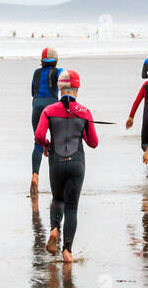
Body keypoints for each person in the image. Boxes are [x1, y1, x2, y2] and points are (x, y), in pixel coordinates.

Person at [34, 70, 99, 263]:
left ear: (59, 88)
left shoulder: (49, 110)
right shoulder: (85, 112)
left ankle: (54, 229)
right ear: (77, 88)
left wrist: (46, 144)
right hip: (77, 163)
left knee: (58, 199)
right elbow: (93, 142)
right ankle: (67, 251)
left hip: (56, 162)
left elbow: (38, 135)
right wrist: (82, 132)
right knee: (72, 207)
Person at [30, 46, 62, 194]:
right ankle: (56, 180)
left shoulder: (36, 73)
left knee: (38, 141)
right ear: (55, 61)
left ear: (42, 61)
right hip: (52, 107)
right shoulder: (57, 72)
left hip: (37, 106)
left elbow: (32, 92)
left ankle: (35, 175)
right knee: (56, 141)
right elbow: (65, 78)